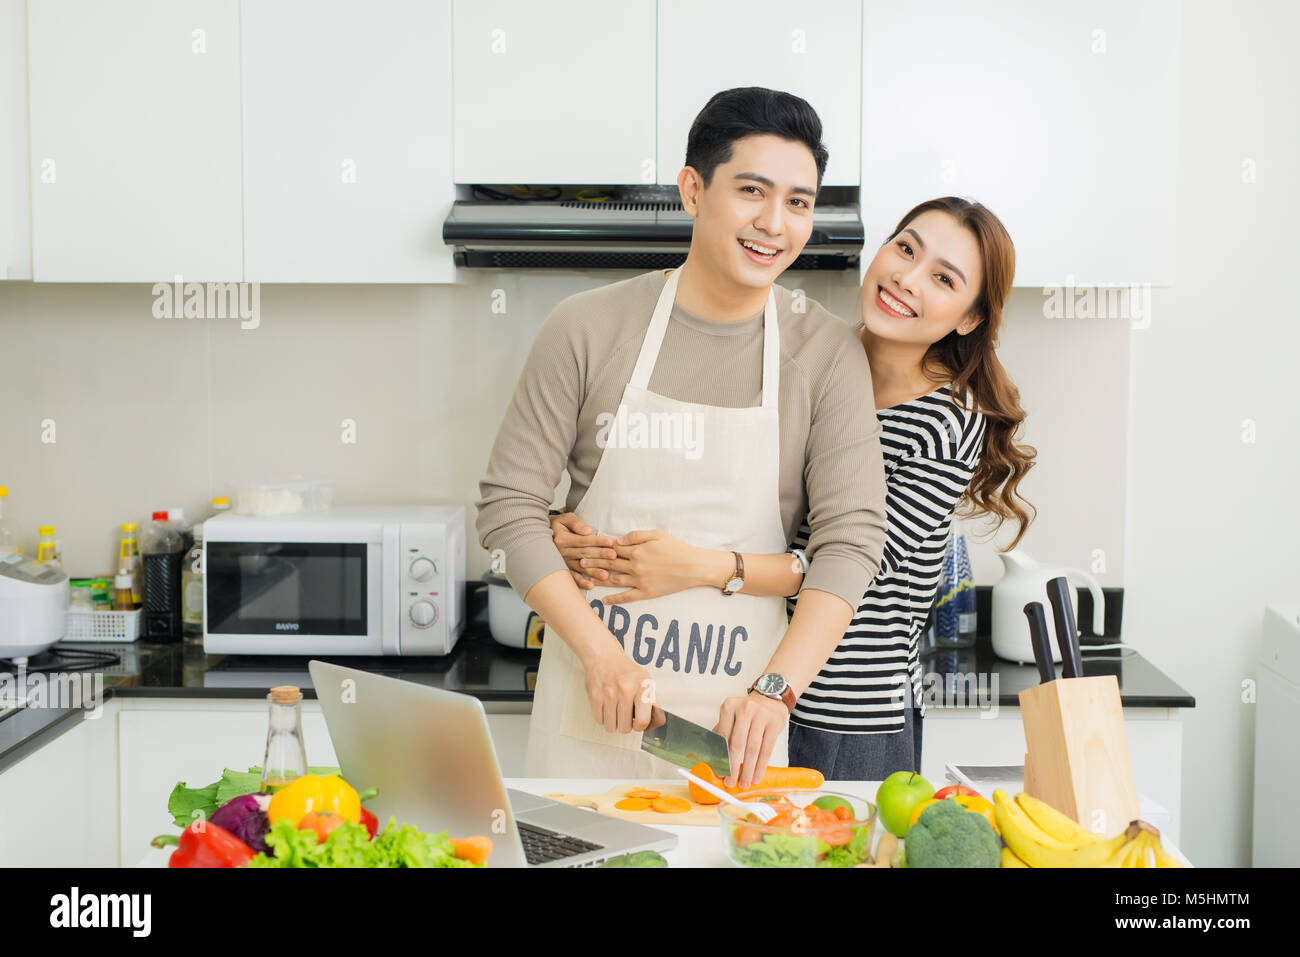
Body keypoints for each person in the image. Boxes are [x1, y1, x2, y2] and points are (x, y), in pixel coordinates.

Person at [476, 87, 890, 789]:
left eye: (798, 201)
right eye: (752, 191)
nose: (774, 223)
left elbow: (850, 543)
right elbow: (508, 507)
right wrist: (600, 655)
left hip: (741, 727)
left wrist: (777, 689)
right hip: (591, 710)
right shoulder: (586, 327)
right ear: (693, 191)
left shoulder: (824, 354)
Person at [551, 196, 1037, 780]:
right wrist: (568, 522)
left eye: (942, 278)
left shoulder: (945, 423)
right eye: (905, 248)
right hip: (735, 681)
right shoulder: (812, 360)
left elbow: (849, 562)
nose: (907, 279)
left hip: (841, 714)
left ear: (969, 318)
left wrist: (702, 568)